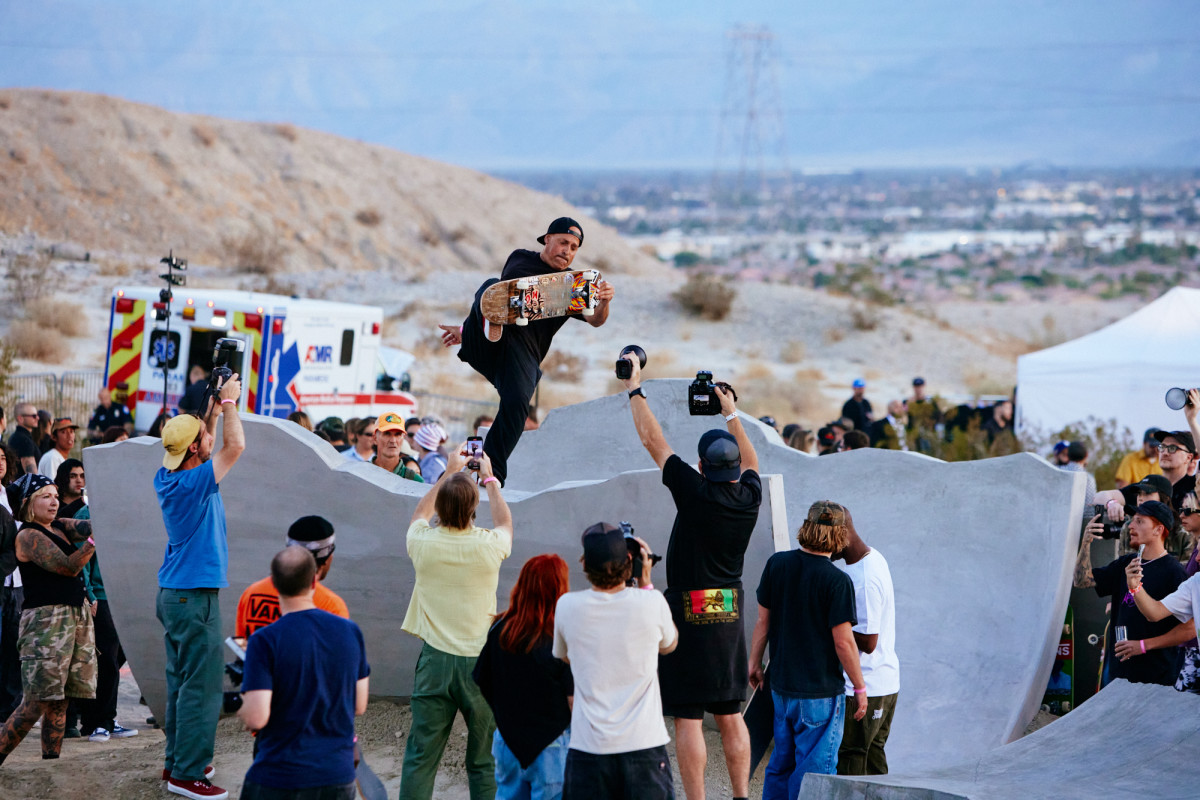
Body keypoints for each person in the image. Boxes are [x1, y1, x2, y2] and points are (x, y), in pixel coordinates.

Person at [619, 354, 760, 800]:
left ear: (701, 467)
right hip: (729, 610)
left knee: (688, 717)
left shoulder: (695, 494)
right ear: (735, 470)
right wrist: (731, 413)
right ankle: (740, 794)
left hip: (687, 609)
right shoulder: (749, 497)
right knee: (731, 714)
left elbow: (652, 439)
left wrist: (634, 387)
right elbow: (753, 460)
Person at [438, 217, 615, 486]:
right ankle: (487, 324)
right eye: (563, 243)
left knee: (517, 406)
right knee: (488, 286)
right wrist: (468, 328)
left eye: (574, 247)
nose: (568, 251)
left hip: (522, 357)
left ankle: (492, 471)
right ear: (547, 239)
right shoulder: (519, 258)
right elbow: (500, 295)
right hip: (490, 346)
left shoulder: (573, 285)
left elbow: (596, 321)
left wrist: (602, 301)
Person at [399, 445, 513, 800]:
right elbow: (506, 523)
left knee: (420, 758)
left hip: (434, 662)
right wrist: (490, 478)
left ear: (442, 510)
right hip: (480, 663)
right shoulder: (489, 546)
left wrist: (448, 473)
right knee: (483, 761)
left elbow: (419, 513)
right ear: (473, 509)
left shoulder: (422, 543)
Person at [154, 373, 245, 800]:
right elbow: (235, 447)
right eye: (203, 438)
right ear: (195, 449)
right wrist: (229, 405)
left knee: (182, 684)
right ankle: (187, 774)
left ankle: (178, 760)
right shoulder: (195, 482)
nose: (209, 439)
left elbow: (203, 438)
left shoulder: (168, 476)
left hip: (176, 594)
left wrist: (213, 396)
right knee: (204, 688)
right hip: (195, 598)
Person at [749, 501, 867, 797]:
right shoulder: (837, 581)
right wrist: (860, 687)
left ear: (807, 527)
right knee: (814, 776)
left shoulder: (778, 564)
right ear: (840, 536)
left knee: (780, 765)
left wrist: (755, 664)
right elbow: (843, 642)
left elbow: (763, 622)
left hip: (781, 687)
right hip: (820, 694)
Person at [552, 523, 677, 800]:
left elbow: (564, 655)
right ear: (630, 560)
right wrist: (646, 584)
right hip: (644, 746)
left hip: (588, 749)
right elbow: (669, 645)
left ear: (584, 564)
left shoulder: (567, 606)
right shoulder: (651, 602)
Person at [236, 546, 370, 800]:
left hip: (278, 775)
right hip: (336, 776)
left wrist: (242, 705)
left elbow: (256, 719)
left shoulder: (264, 640)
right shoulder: (350, 631)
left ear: (275, 583)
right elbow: (359, 704)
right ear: (314, 580)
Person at [0, 474, 96, 765]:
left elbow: (89, 525)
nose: (54, 501)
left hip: (73, 616)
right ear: (29, 503)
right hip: (45, 623)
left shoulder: (60, 526)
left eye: (56, 495)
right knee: (36, 702)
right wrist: (93, 541)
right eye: (46, 496)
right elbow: (68, 567)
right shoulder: (27, 535)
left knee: (61, 698)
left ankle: (50, 763)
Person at [473, 554, 573, 800]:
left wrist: (507, 719)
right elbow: (575, 704)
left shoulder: (500, 630)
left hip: (508, 744)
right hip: (552, 747)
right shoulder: (561, 640)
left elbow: (482, 679)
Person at [1073, 501, 1188, 687]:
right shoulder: (1126, 563)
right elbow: (1081, 581)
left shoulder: (1174, 572)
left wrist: (1144, 645)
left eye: (1140, 522)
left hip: (1157, 677)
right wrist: (1086, 543)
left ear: (1158, 530)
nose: (1131, 526)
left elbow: (1188, 629)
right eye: (1132, 521)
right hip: (1119, 673)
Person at [832, 508, 899, 776]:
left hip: (866, 689)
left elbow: (869, 641)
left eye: (828, 539)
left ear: (843, 534)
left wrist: (831, 627)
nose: (824, 547)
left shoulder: (864, 579)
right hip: (886, 684)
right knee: (873, 760)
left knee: (851, 760)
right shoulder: (874, 557)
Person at [236, 516, 350, 639]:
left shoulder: (252, 594)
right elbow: (341, 656)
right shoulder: (331, 606)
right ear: (328, 559)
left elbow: (241, 645)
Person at [1123, 541, 1200, 695]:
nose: (1197, 558)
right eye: (1197, 551)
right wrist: (1135, 586)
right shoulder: (1195, 583)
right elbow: (1155, 613)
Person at [368, 413, 423, 482]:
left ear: (403, 439)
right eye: (387, 434)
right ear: (375, 438)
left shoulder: (414, 480)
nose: (393, 440)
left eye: (397, 434)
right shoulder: (360, 473)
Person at [8, 403, 42, 477]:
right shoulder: (24, 441)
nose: (38, 418)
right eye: (34, 416)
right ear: (21, 418)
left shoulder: (16, 437)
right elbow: (32, 476)